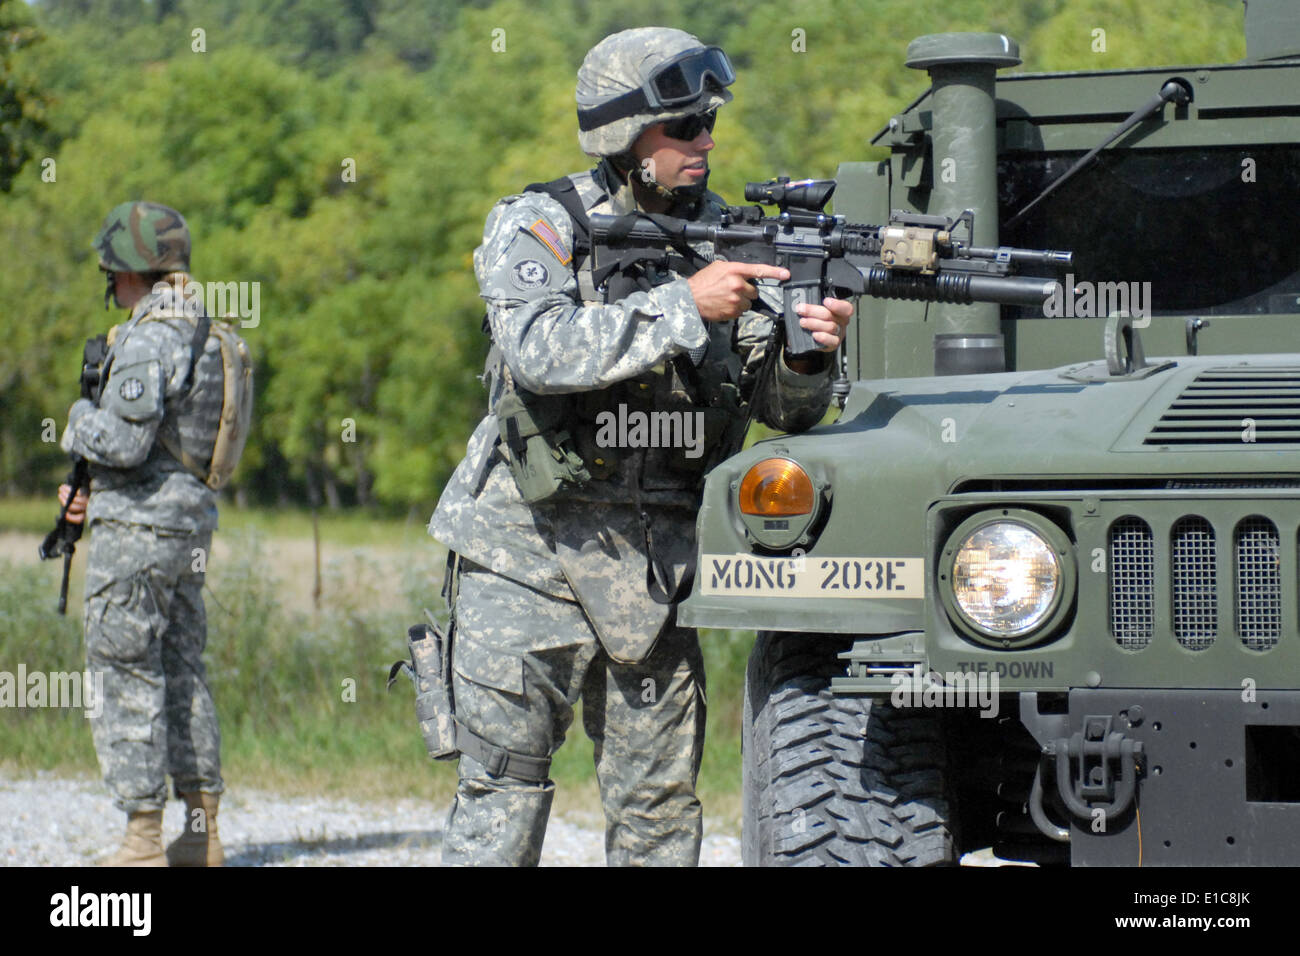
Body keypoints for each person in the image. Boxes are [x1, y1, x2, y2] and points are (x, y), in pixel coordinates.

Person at [427, 27, 852, 866]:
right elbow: (538, 352)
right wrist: (686, 305)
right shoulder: (539, 224)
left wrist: (810, 351)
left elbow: (787, 412)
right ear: (624, 134)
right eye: (683, 127)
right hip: (527, 553)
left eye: (709, 125)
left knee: (658, 810)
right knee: (503, 788)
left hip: (655, 570)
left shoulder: (733, 238)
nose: (705, 141)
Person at [58, 201, 240, 866]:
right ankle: (201, 836)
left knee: (124, 671)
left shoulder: (149, 334)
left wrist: (77, 417)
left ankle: (141, 842)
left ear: (125, 268)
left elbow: (126, 441)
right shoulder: (205, 328)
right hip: (186, 530)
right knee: (184, 672)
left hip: (137, 531)